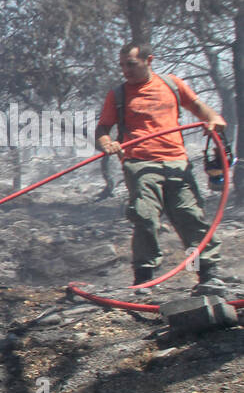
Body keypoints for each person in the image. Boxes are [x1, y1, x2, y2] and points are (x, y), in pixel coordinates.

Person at [96, 42, 229, 294]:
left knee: (189, 217)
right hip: (139, 163)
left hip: (177, 162)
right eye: (122, 65)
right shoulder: (119, 95)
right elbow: (103, 129)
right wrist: (107, 143)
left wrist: (212, 117)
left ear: (149, 60)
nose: (125, 70)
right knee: (145, 217)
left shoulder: (172, 85)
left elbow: (199, 107)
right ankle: (144, 278)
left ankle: (207, 274)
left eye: (131, 64)